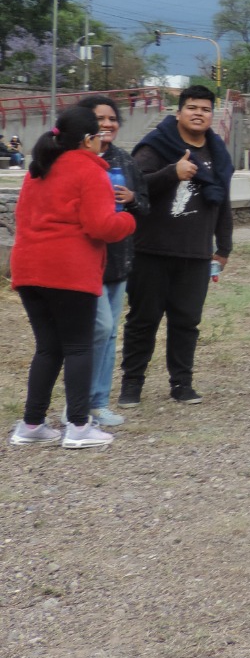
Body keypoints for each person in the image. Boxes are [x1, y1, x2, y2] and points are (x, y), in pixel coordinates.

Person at [9, 106, 138, 449]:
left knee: (48, 348)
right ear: (87, 140)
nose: (102, 140)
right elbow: (102, 226)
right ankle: (79, 426)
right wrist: (129, 221)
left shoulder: (38, 169)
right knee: (79, 347)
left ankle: (31, 423)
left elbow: (24, 218)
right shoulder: (89, 169)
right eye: (98, 135)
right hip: (68, 269)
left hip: (28, 269)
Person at [119, 85, 234, 407]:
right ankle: (132, 385)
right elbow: (133, 189)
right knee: (143, 320)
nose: (199, 113)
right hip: (151, 251)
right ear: (179, 111)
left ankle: (182, 384)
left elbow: (222, 203)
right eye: (192, 107)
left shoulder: (218, 155)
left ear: (212, 114)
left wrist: (223, 248)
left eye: (206, 109)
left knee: (186, 323)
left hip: (196, 254)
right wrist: (173, 172)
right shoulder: (156, 147)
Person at [79, 95, 150, 427]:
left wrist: (133, 199)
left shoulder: (125, 160)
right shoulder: (75, 159)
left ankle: (98, 402)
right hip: (84, 262)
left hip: (119, 261)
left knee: (108, 334)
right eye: (99, 119)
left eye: (112, 119)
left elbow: (146, 207)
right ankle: (77, 403)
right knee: (95, 330)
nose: (106, 125)